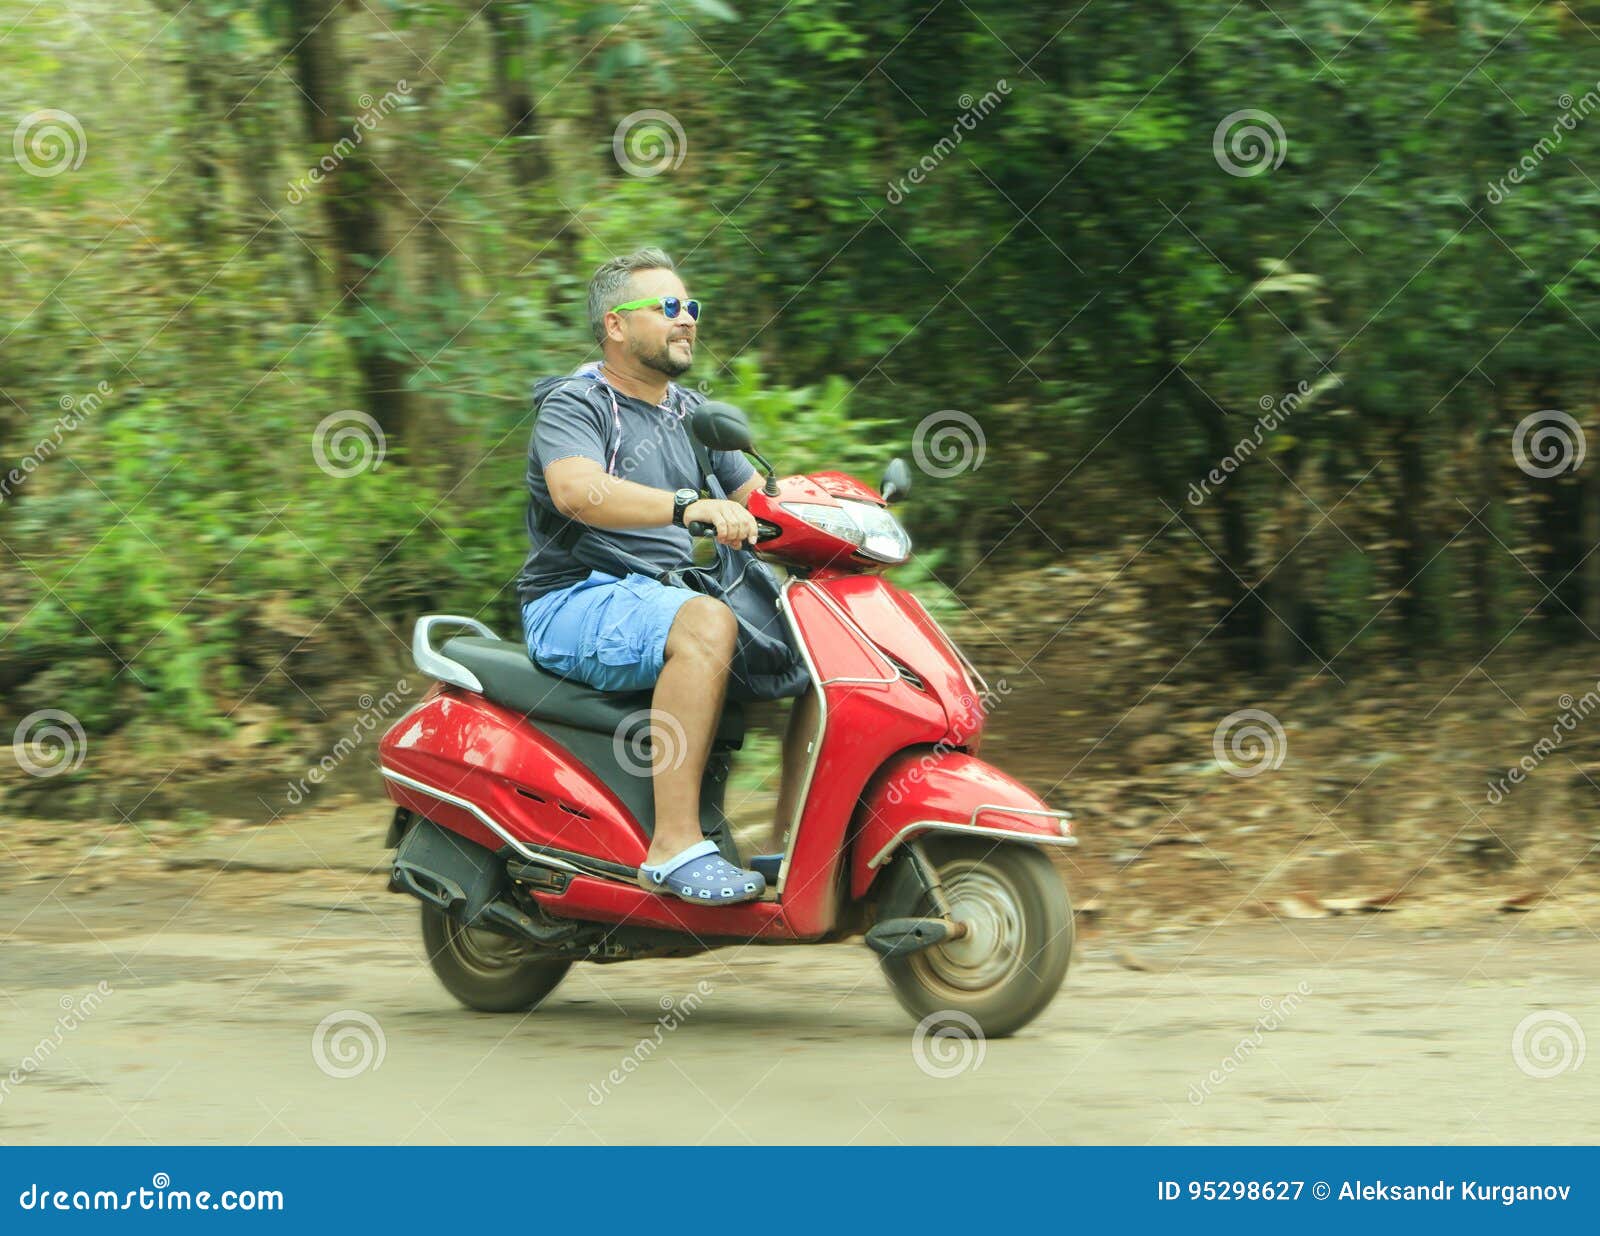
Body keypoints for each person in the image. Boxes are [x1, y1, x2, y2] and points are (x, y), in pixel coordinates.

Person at [515, 248, 812, 905]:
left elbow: (763, 500)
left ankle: (794, 841)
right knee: (708, 621)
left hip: (662, 596)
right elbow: (577, 490)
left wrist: (839, 515)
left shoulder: (692, 413)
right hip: (576, 596)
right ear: (615, 327)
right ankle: (674, 846)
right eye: (668, 308)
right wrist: (688, 505)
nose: (687, 321)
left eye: (692, 308)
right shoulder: (578, 402)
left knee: (817, 637)